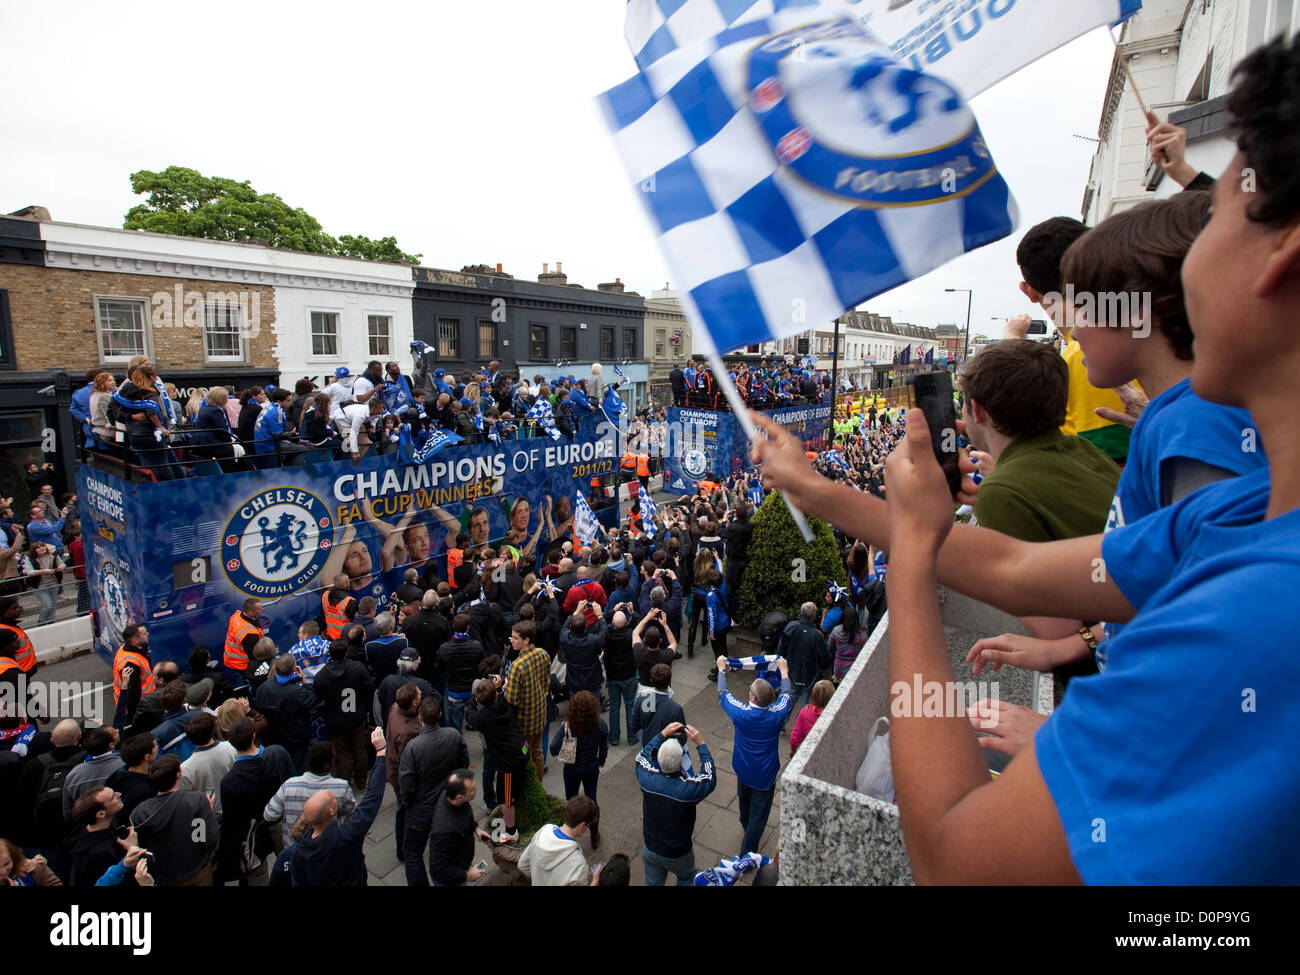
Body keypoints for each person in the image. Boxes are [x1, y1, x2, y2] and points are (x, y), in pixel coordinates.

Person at [269, 727, 390, 886]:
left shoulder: (296, 854)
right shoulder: (346, 836)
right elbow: (371, 800)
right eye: (332, 799)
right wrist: (381, 753)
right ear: (331, 812)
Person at [717, 654, 791, 859]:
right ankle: (750, 837)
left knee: (746, 806)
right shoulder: (778, 715)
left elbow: (723, 693)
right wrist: (784, 672)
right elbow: (787, 695)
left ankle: (746, 852)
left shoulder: (741, 713)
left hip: (743, 768)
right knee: (759, 814)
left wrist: (722, 669)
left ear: (752, 697)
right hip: (765, 775)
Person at [635, 722, 715, 886]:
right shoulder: (687, 790)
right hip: (678, 852)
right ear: (680, 763)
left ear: (658, 759)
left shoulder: (647, 780)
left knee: (652, 882)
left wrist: (661, 735)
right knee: (686, 878)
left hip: (651, 846)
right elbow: (709, 777)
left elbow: (641, 758)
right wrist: (701, 744)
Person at [216, 717, 293, 885]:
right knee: (291, 863)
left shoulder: (230, 781)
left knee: (257, 877)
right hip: (280, 821)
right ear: (253, 736)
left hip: (252, 834)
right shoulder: (277, 754)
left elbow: (232, 820)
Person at [129, 754, 219, 886]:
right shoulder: (195, 801)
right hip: (196, 872)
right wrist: (207, 813)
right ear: (178, 775)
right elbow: (204, 837)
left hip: (162, 876)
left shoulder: (139, 812)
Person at [464, 677, 526, 843]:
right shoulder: (504, 704)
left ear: (478, 699)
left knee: (506, 798)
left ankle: (511, 832)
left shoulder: (482, 718)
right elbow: (498, 695)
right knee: (516, 785)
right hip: (522, 748)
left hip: (508, 763)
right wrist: (495, 688)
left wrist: (474, 695)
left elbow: (469, 713)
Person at [262, 741, 357, 849]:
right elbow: (352, 814)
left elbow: (269, 815)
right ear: (327, 765)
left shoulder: (288, 786)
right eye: (333, 757)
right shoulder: (341, 788)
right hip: (328, 850)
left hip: (295, 852)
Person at [312, 639, 373, 791]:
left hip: (335, 721)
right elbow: (369, 688)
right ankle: (361, 781)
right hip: (356, 716)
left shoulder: (322, 675)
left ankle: (343, 785)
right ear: (346, 653)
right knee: (360, 749)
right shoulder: (357, 668)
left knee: (341, 754)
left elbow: (317, 697)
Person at [549, 690, 608, 845]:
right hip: (591, 767)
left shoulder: (567, 727)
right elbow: (604, 747)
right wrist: (601, 760)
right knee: (592, 799)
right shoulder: (600, 725)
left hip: (571, 769)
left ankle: (570, 835)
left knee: (571, 800)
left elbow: (553, 749)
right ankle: (594, 835)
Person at [501, 620, 549, 782]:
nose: (511, 640)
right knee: (538, 751)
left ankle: (529, 788)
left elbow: (511, 700)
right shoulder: (543, 654)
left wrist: (506, 686)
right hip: (540, 715)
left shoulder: (517, 666)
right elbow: (546, 683)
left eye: (515, 638)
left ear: (526, 640)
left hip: (524, 723)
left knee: (524, 754)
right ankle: (538, 785)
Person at [254, 655, 318, 773]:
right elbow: (311, 699)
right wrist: (303, 679)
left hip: (274, 738)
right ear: (293, 669)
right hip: (295, 741)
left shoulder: (263, 688)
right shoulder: (295, 692)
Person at [518, 795, 599, 886]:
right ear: (582, 826)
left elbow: (522, 865)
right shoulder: (578, 865)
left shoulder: (543, 832)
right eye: (588, 826)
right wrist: (595, 881)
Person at [779, 602, 832, 720]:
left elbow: (782, 648)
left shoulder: (791, 627)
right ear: (814, 617)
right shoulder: (817, 636)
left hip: (793, 672)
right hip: (810, 677)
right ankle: (801, 726)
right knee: (806, 706)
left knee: (788, 700)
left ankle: (780, 722)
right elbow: (825, 659)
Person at [178, 712, 236, 817]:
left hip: (208, 819)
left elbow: (186, 802)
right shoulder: (231, 748)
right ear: (213, 730)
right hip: (234, 810)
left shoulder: (186, 769)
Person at [437, 613, 484, 733]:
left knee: (455, 724)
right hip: (472, 690)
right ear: (468, 627)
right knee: (473, 714)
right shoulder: (477, 646)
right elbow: (482, 667)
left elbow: (440, 668)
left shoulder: (444, 648)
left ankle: (457, 745)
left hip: (454, 692)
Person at [222, 599, 264, 689]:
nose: (262, 610)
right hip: (241, 664)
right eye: (259, 609)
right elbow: (253, 656)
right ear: (251, 612)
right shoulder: (250, 634)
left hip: (231, 658)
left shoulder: (236, 616)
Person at [789, 680, 834, 753]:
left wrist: (793, 750)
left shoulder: (805, 711)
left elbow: (795, 738)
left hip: (809, 751)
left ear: (813, 694)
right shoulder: (833, 715)